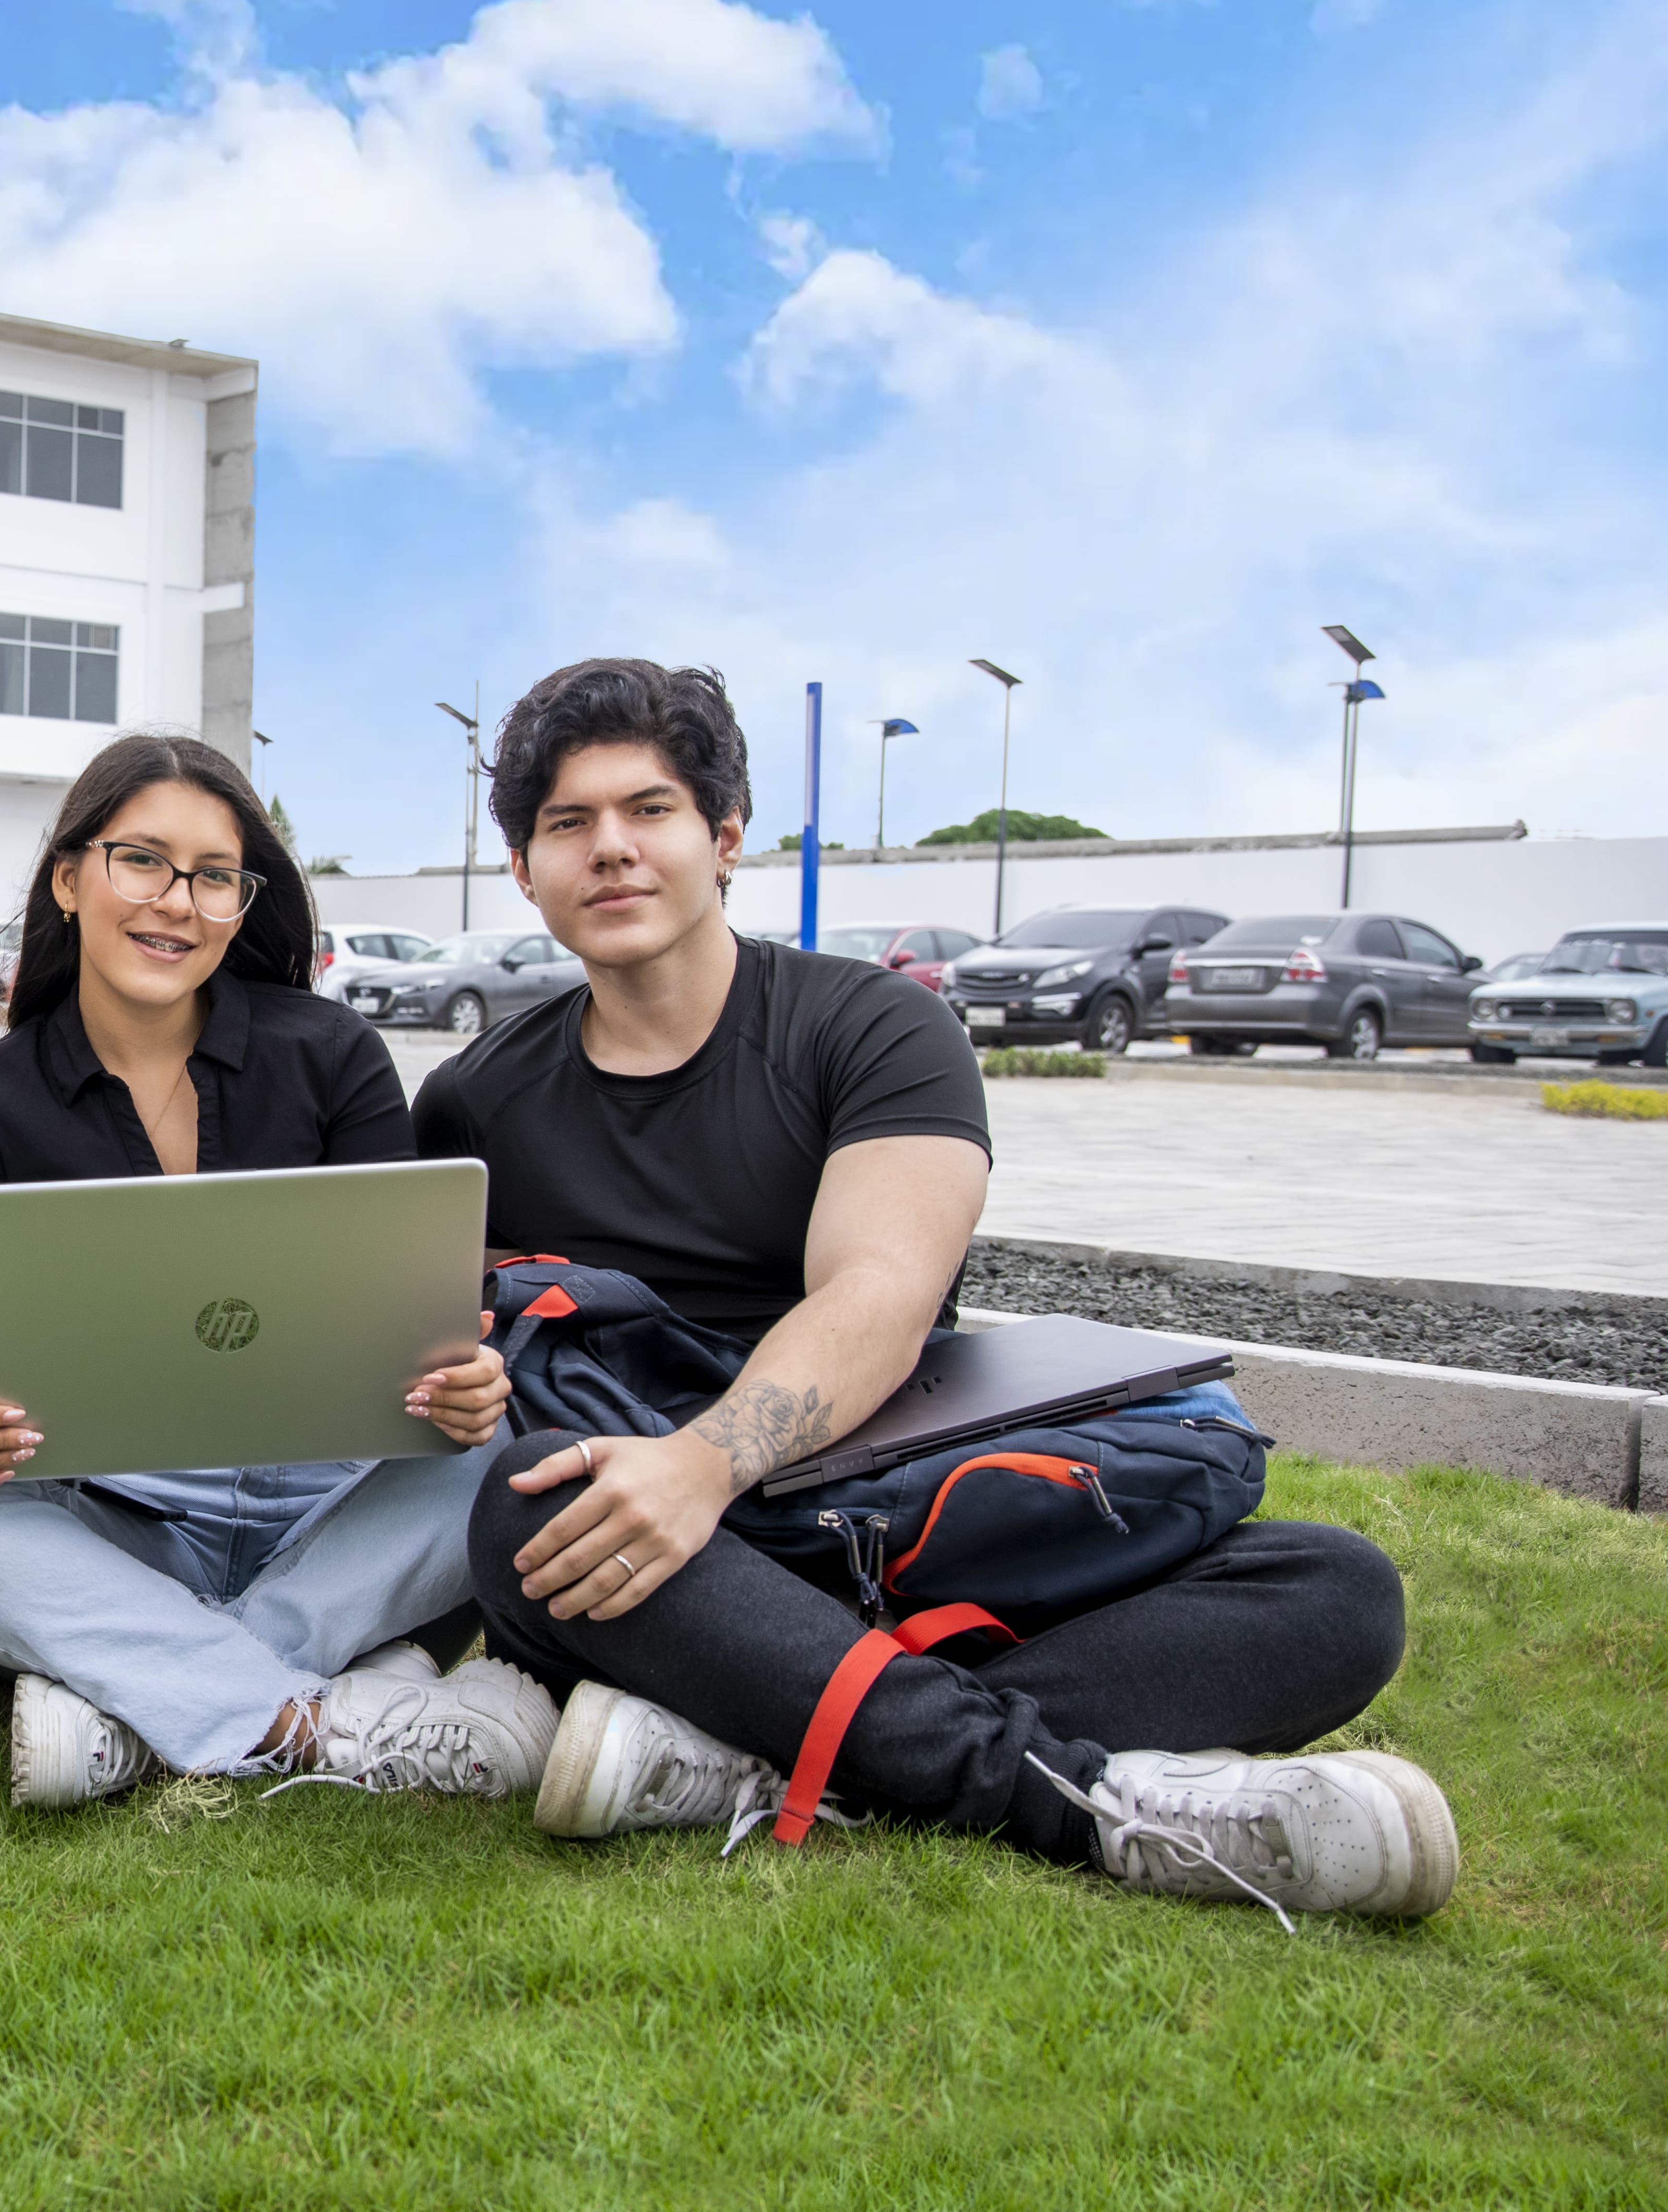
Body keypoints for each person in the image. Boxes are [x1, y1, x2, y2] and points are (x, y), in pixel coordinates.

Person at [414, 657, 1455, 1921]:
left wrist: (707, 1461)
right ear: (526, 869)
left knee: (1335, 1590)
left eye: (650, 811)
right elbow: (453, 1355)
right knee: (526, 1517)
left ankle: (753, 1748)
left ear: (725, 836)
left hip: (887, 1506)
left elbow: (882, 1291)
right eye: (568, 824)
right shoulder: (473, 1101)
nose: (612, 850)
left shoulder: (875, 1027)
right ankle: (1085, 1806)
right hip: (679, 1566)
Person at [0, 734, 559, 1810]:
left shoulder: (332, 1053)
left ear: (239, 902)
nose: (177, 901)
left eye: (212, 876)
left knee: (505, 1455)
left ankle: (137, 1696)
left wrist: (463, 1387)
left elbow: (419, 1325)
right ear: (70, 877)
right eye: (143, 860)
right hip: (111, 1507)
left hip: (333, 1495)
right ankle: (302, 1719)